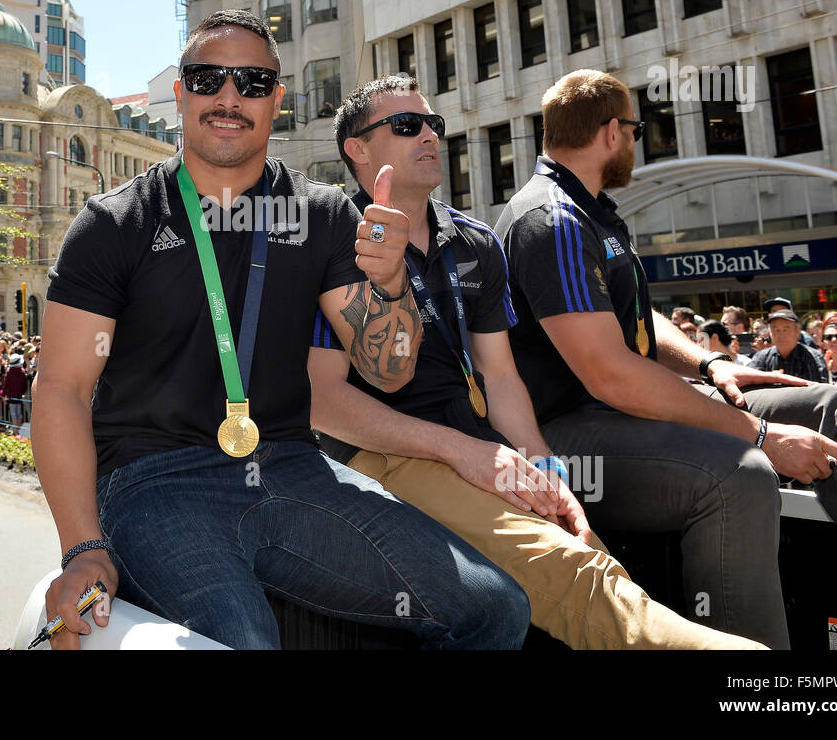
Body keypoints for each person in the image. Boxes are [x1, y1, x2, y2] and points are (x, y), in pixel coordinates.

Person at [32, 9, 529, 651]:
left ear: (278, 103)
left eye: (253, 83)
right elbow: (62, 391)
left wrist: (391, 285)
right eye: (208, 79)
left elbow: (389, 370)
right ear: (180, 94)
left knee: (495, 607)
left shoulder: (320, 216)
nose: (230, 97)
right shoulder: (114, 223)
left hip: (292, 467)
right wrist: (83, 547)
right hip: (152, 481)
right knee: (245, 640)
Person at [309, 75, 758, 649]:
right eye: (406, 125)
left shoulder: (474, 241)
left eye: (433, 124)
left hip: (479, 449)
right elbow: (323, 402)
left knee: (584, 548)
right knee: (578, 576)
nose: (428, 135)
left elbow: (499, 376)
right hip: (385, 457)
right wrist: (462, 450)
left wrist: (548, 472)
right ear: (358, 149)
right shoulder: (334, 240)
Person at [493, 69, 837, 647]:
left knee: (827, 405)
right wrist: (761, 435)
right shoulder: (552, 219)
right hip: (564, 434)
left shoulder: (591, 209)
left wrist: (709, 365)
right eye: (635, 129)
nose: (635, 142)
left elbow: (632, 322)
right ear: (612, 133)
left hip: (623, 412)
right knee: (742, 473)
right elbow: (610, 375)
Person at [748, 308, 828, 383]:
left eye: (785, 330)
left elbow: (822, 391)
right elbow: (748, 379)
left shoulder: (814, 358)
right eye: (776, 330)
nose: (780, 335)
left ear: (797, 332)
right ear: (770, 334)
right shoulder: (762, 358)